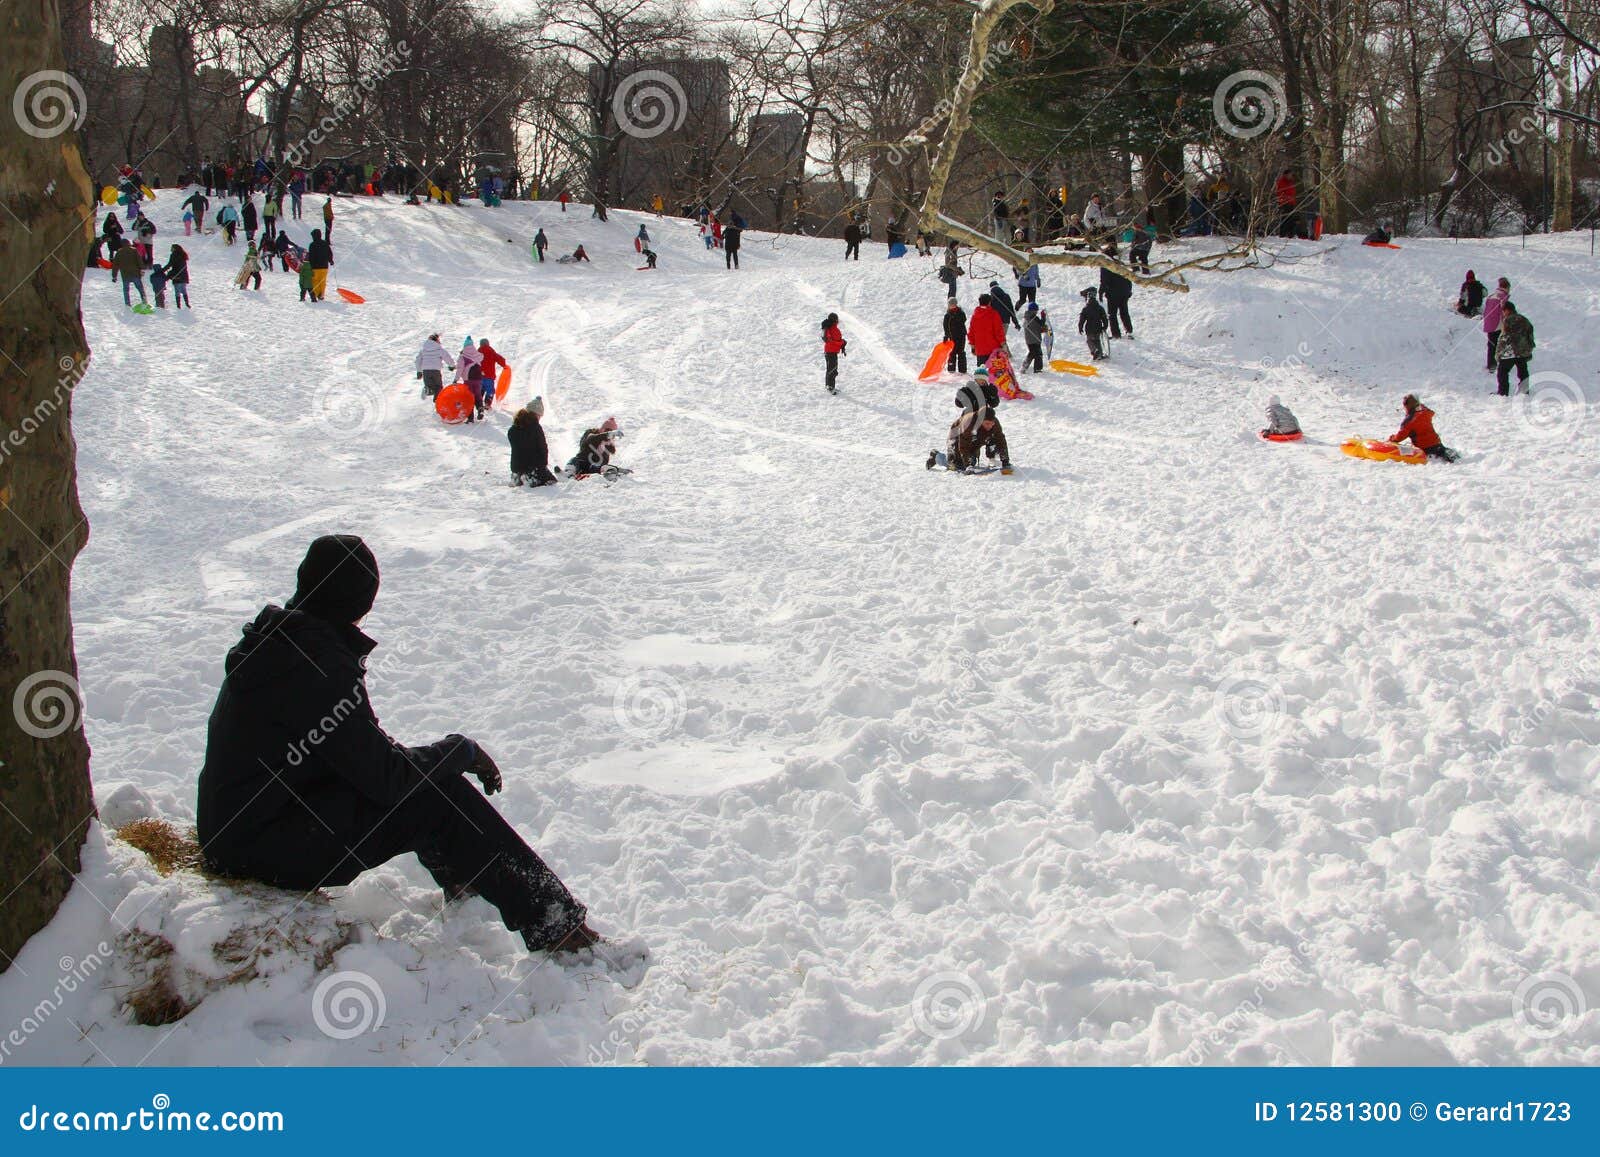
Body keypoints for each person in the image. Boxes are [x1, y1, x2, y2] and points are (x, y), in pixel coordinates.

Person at [196, 535, 601, 955]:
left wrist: (438, 759)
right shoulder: (315, 663)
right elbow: (386, 779)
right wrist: (459, 751)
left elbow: (363, 754)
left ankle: (470, 883)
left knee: (423, 786)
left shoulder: (281, 642)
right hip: (257, 847)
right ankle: (558, 926)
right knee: (440, 799)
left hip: (240, 831)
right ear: (361, 604)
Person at [928, 377, 1011, 473]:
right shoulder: (969, 423)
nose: (990, 426)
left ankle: (980, 460)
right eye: (987, 424)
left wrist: (1005, 461)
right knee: (956, 466)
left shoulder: (994, 423)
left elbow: (1001, 441)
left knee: (973, 460)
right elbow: (963, 445)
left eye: (991, 423)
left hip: (974, 438)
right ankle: (936, 456)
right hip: (957, 436)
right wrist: (968, 466)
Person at [1391, 394, 1458, 461]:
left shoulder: (1409, 421)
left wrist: (1392, 439)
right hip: (1437, 444)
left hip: (1424, 449)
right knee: (1443, 452)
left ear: (1406, 406)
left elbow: (1400, 437)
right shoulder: (1425, 413)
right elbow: (1427, 410)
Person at [509, 397, 558, 486]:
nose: (539, 418)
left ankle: (519, 477)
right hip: (534, 469)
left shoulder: (513, 429)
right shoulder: (535, 428)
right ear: (535, 414)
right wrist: (543, 467)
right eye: (539, 416)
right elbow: (543, 448)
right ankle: (529, 477)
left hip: (516, 468)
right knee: (553, 482)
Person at [1496, 301, 1535, 396]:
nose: (1503, 313)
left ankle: (1503, 393)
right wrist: (1529, 349)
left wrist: (1498, 353)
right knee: (1523, 372)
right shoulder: (1524, 319)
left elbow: (1504, 338)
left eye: (1503, 311)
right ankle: (1524, 392)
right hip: (1522, 351)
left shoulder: (1507, 320)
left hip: (1510, 351)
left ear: (1507, 310)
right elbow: (1530, 335)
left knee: (1502, 372)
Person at [1099, 246, 1133, 339]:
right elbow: (1128, 277)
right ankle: (1129, 331)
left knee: (1112, 314)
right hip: (1124, 291)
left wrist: (1101, 292)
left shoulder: (1106, 265)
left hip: (1113, 293)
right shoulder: (1121, 263)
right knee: (1124, 312)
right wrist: (1129, 290)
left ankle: (1116, 334)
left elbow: (1104, 281)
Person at [967, 293, 1006, 368]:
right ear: (989, 302)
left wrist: (973, 346)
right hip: (993, 349)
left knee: (982, 374)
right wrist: (1003, 343)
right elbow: (998, 331)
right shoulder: (994, 314)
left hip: (980, 349)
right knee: (995, 373)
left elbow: (971, 332)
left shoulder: (975, 315)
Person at [415, 333, 455, 399]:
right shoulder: (440, 350)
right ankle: (437, 400)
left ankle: (427, 390)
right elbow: (447, 358)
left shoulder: (423, 351)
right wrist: (452, 366)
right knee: (438, 386)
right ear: (436, 341)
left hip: (426, 371)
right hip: (436, 370)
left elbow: (418, 361)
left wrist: (419, 371)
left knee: (429, 386)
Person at [1483, 277, 1509, 369]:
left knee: (1491, 344)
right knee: (1500, 343)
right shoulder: (1503, 297)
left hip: (1488, 323)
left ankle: (1490, 363)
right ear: (1507, 287)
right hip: (1498, 324)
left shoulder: (1491, 296)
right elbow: (1504, 312)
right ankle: (1499, 363)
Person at [111, 239, 147, 307]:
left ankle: (127, 303)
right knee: (140, 288)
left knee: (126, 290)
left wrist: (114, 276)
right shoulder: (134, 250)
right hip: (135, 273)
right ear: (128, 243)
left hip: (125, 274)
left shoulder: (119, 252)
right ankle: (144, 301)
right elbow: (139, 260)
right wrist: (142, 269)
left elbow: (115, 265)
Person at [476, 338, 507, 414]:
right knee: (490, 390)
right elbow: (499, 359)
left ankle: (479, 404)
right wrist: (504, 365)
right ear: (488, 344)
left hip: (479, 376)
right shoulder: (491, 351)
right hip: (489, 376)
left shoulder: (477, 352)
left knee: (480, 390)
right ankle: (487, 404)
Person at [1078, 287, 1109, 360]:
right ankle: (1100, 354)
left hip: (1089, 328)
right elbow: (1104, 317)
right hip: (1098, 327)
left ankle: (1094, 351)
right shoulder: (1100, 308)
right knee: (1097, 341)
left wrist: (1080, 327)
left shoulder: (1085, 308)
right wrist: (1105, 325)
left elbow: (1082, 319)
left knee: (1089, 341)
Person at [306, 228, 333, 301]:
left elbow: (311, 256)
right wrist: (330, 260)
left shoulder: (312, 245)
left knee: (315, 280)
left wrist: (310, 265)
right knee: (322, 281)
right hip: (324, 266)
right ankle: (322, 295)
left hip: (315, 266)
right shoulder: (325, 243)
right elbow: (329, 253)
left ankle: (317, 293)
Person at [822, 313, 846, 394]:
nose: (838, 320)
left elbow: (835, 340)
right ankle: (830, 387)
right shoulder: (831, 328)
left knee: (831, 369)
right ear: (835, 320)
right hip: (830, 352)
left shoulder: (832, 328)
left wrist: (842, 343)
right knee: (832, 370)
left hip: (831, 351)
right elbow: (832, 341)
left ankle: (829, 386)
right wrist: (842, 342)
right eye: (837, 319)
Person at [943, 299, 969, 374]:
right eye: (951, 305)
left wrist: (956, 316)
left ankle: (963, 369)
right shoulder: (947, 315)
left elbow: (964, 319)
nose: (952, 306)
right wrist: (946, 336)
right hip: (952, 337)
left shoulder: (960, 312)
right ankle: (951, 369)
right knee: (952, 353)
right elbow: (946, 326)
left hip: (961, 335)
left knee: (961, 352)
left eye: (953, 304)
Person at [163, 244, 190, 309]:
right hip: (184, 275)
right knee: (184, 290)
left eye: (171, 248)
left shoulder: (173, 255)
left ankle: (178, 306)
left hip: (176, 274)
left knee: (177, 291)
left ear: (174, 249)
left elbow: (170, 264)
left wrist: (162, 270)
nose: (170, 249)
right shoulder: (183, 255)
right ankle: (187, 304)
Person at [1021, 303, 1046, 373]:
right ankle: (1038, 369)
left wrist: (1041, 330)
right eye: (1036, 310)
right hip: (1035, 339)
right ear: (1033, 310)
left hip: (1029, 340)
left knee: (1032, 353)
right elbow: (1041, 324)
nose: (1036, 312)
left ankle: (1024, 367)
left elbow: (1034, 328)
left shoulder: (1027, 317)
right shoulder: (1034, 318)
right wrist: (1043, 317)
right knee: (1038, 354)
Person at [1274, 169, 1299, 237]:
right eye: (1290, 174)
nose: (1291, 176)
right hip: (1284, 203)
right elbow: (1280, 193)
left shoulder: (1291, 182)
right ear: (1286, 175)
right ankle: (1283, 234)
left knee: (1291, 219)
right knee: (1285, 219)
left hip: (1291, 203)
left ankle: (1290, 234)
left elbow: (1293, 192)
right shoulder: (1282, 182)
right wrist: (1285, 199)